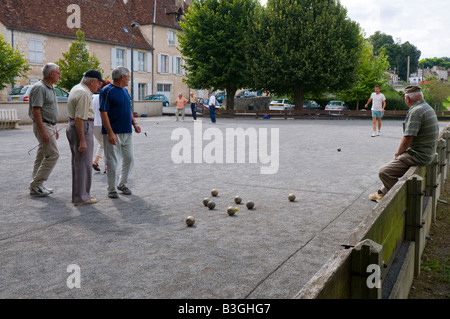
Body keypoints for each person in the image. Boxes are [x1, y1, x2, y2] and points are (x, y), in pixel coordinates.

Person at [369, 85, 439, 203]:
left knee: (384, 172)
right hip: (427, 153)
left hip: (419, 155)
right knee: (395, 167)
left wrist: (397, 154)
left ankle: (402, 200)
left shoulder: (416, 111)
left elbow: (407, 138)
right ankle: (381, 193)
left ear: (407, 98)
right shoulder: (426, 107)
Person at [100, 66, 141, 199]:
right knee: (112, 161)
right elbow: (103, 112)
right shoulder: (107, 91)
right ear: (122, 77)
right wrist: (110, 132)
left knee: (129, 158)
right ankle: (111, 189)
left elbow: (128, 109)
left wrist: (134, 123)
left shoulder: (125, 90)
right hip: (113, 133)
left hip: (127, 132)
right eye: (128, 77)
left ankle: (122, 184)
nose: (129, 79)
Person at [66, 70, 105, 206]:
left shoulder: (77, 88)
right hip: (82, 127)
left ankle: (79, 194)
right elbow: (79, 118)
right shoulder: (84, 93)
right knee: (83, 163)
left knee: (78, 163)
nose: (99, 86)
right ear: (92, 81)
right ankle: (82, 197)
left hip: (76, 126)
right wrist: (83, 140)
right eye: (99, 82)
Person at [28, 63, 61, 197]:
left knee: (42, 154)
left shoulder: (50, 87)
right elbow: (36, 111)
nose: (60, 75)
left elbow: (50, 109)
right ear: (50, 74)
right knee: (53, 155)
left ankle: (37, 184)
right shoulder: (39, 88)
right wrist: (43, 131)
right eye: (58, 72)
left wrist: (55, 127)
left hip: (50, 125)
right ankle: (36, 184)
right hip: (43, 125)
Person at [92, 80, 111, 173]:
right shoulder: (107, 97)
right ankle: (107, 166)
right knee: (107, 145)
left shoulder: (94, 97)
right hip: (103, 124)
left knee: (102, 144)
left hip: (94, 124)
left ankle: (95, 161)